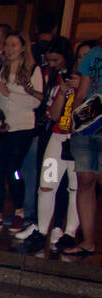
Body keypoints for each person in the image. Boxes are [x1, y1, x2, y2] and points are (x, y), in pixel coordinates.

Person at [16, 42, 78, 252]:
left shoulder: (89, 84)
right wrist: (62, 92)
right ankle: (42, 228)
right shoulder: (55, 78)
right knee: (47, 184)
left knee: (74, 188)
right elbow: (53, 114)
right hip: (58, 135)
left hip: (79, 139)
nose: (51, 64)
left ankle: (68, 230)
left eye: (55, 60)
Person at [0, 32, 43, 228]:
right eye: (7, 45)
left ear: (22, 48)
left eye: (14, 45)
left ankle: (19, 209)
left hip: (22, 127)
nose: (9, 49)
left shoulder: (33, 70)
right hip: (2, 127)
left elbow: (36, 101)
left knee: (14, 169)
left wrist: (8, 93)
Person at [65, 36, 102, 259]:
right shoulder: (93, 54)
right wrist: (74, 119)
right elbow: (82, 91)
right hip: (90, 115)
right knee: (85, 179)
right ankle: (88, 241)